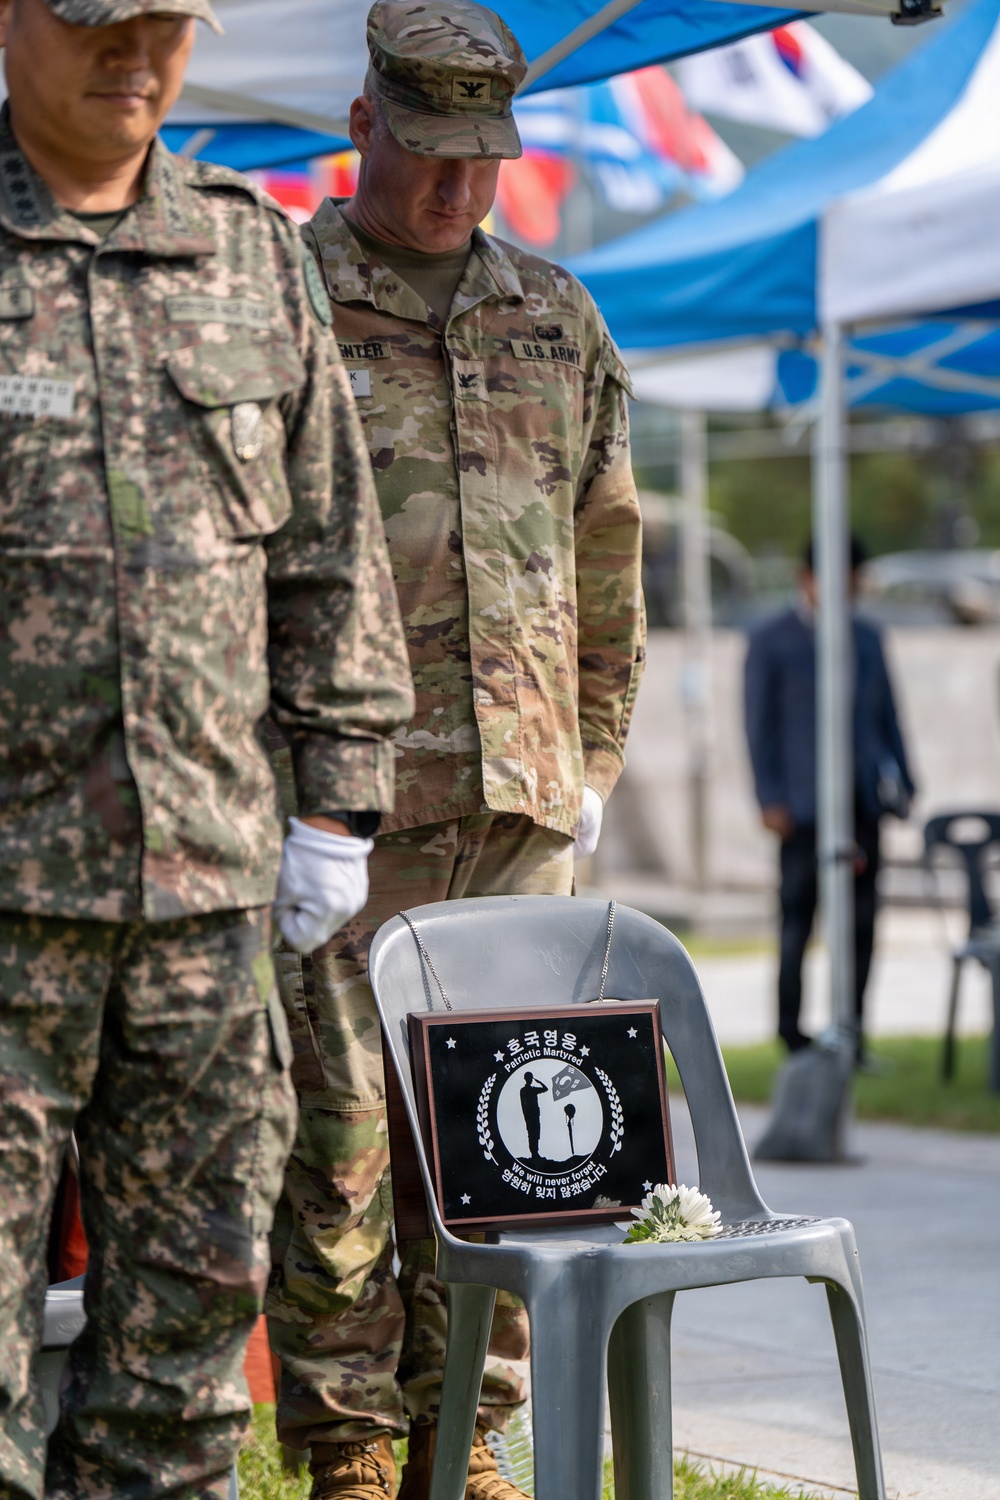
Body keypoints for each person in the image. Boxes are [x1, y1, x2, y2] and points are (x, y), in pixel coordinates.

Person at [0, 2, 414, 1496]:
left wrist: (342, 808)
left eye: (165, 24)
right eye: (97, 21)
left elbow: (326, 553)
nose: (135, 55)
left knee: (179, 1376)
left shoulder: (251, 255)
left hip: (204, 911)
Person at [265, 4, 646, 1498]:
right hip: (342, 818)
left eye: (482, 159)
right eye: (427, 153)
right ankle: (353, 1450)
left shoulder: (557, 314)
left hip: (518, 811)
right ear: (362, 123)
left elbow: (608, 562)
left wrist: (594, 761)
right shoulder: (282, 301)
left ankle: (467, 1438)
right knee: (344, 1155)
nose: (453, 190)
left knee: (503, 1143)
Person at [744, 536, 915, 1061]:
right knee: (798, 921)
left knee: (863, 924)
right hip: (801, 813)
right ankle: (792, 1036)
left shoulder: (867, 637)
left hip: (862, 807)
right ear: (809, 578)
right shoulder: (772, 639)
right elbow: (758, 725)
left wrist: (904, 780)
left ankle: (854, 1032)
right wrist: (769, 796)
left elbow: (889, 714)